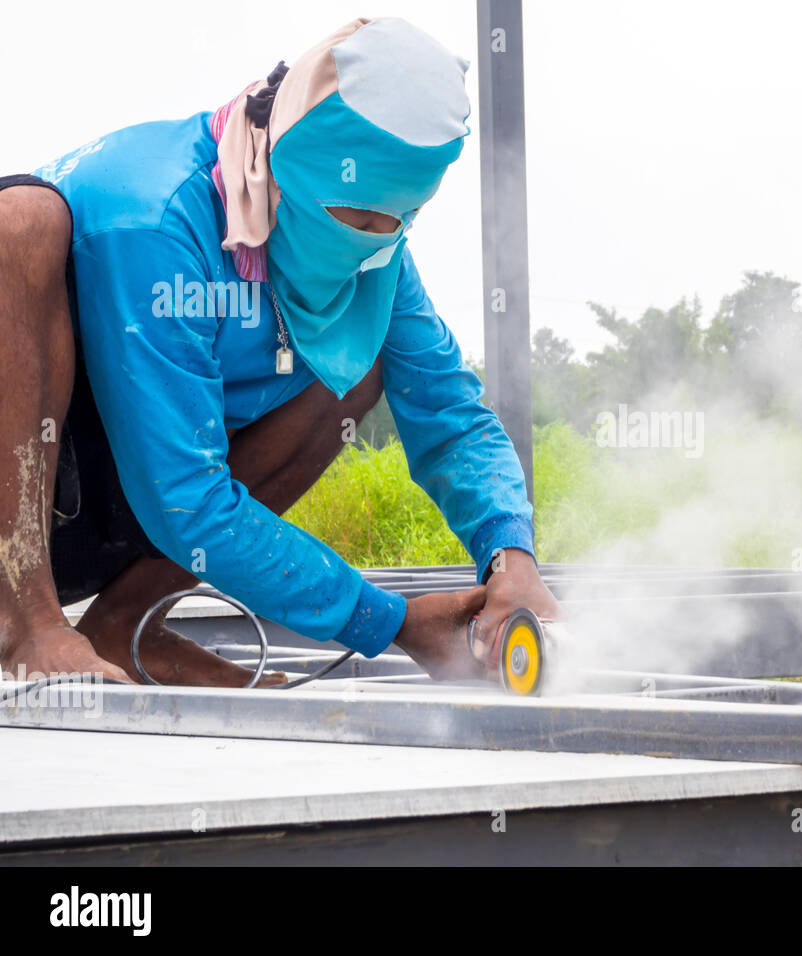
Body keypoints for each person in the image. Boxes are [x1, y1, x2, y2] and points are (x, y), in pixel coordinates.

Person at [0, 17, 558, 688]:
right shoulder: (156, 213)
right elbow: (186, 499)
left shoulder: (375, 253)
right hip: (34, 492)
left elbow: (448, 408)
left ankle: (122, 630)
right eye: (357, 216)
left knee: (356, 364)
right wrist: (391, 620)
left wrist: (510, 556)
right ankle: (25, 627)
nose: (378, 239)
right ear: (296, 168)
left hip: (114, 509)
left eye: (402, 218)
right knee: (20, 228)